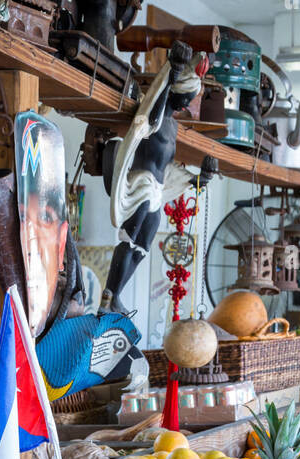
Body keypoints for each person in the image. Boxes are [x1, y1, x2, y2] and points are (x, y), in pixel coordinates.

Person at [100, 42, 207, 316]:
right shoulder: (155, 119)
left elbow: (169, 166)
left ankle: (116, 296)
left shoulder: (172, 126)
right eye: (187, 96)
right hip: (142, 185)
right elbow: (152, 111)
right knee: (130, 239)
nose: (188, 102)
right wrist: (171, 73)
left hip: (157, 189)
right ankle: (110, 295)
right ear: (176, 92)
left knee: (142, 247)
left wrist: (196, 180)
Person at [23, 182, 69, 336]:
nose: (29, 233)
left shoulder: (71, 312)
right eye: (22, 217)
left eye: (45, 217)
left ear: (61, 240)